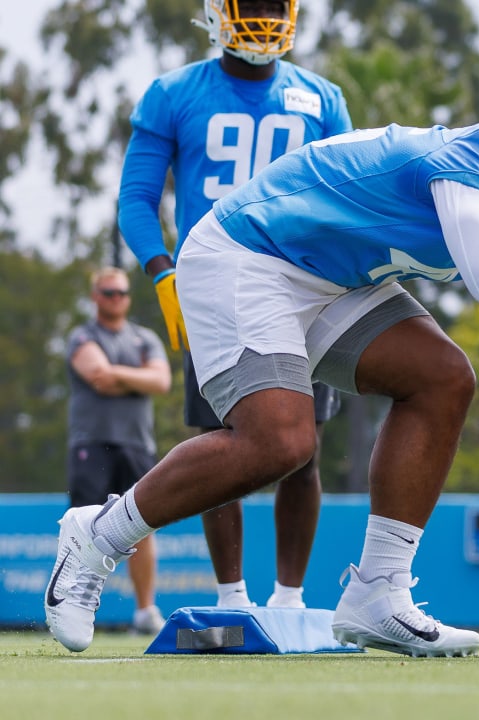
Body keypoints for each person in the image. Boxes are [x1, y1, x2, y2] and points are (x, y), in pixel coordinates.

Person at [44, 69, 479, 656]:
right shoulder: (475, 163)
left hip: (332, 277)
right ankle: (98, 537)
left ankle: (378, 590)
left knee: (443, 378)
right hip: (246, 253)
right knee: (281, 442)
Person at [116, 0, 352, 609]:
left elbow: (342, 196)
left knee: (302, 448)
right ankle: (231, 598)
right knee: (224, 438)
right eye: (254, 4)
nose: (266, 17)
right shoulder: (174, 93)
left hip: (300, 284)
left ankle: (290, 600)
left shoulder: (321, 98)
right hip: (215, 284)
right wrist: (162, 270)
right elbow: (137, 199)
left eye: (277, 5)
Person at [64, 267, 172, 635]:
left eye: (122, 293)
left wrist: (118, 374)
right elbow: (99, 377)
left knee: (141, 525)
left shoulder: (144, 338)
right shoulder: (82, 336)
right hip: (92, 443)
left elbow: (161, 380)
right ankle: (70, 603)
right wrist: (135, 378)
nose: (116, 299)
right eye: (109, 293)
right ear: (96, 296)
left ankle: (144, 611)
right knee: (83, 525)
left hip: (136, 444)